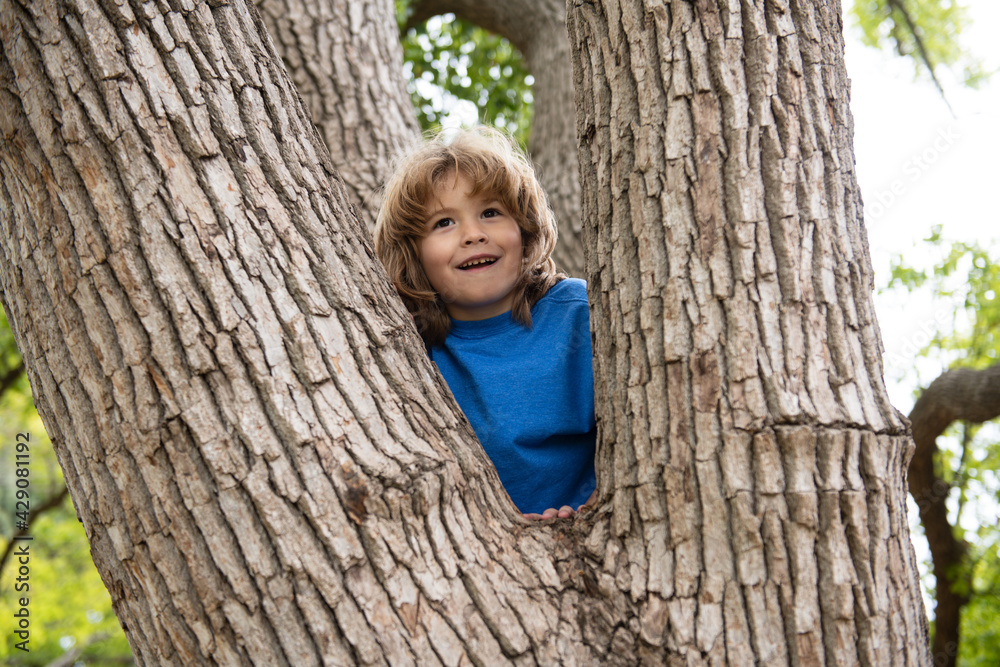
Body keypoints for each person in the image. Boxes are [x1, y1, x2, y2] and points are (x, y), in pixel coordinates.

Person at [374, 127, 596, 520]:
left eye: (490, 213)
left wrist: (595, 509)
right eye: (443, 223)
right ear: (414, 254)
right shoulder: (410, 351)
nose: (474, 235)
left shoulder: (579, 314)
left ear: (523, 230)